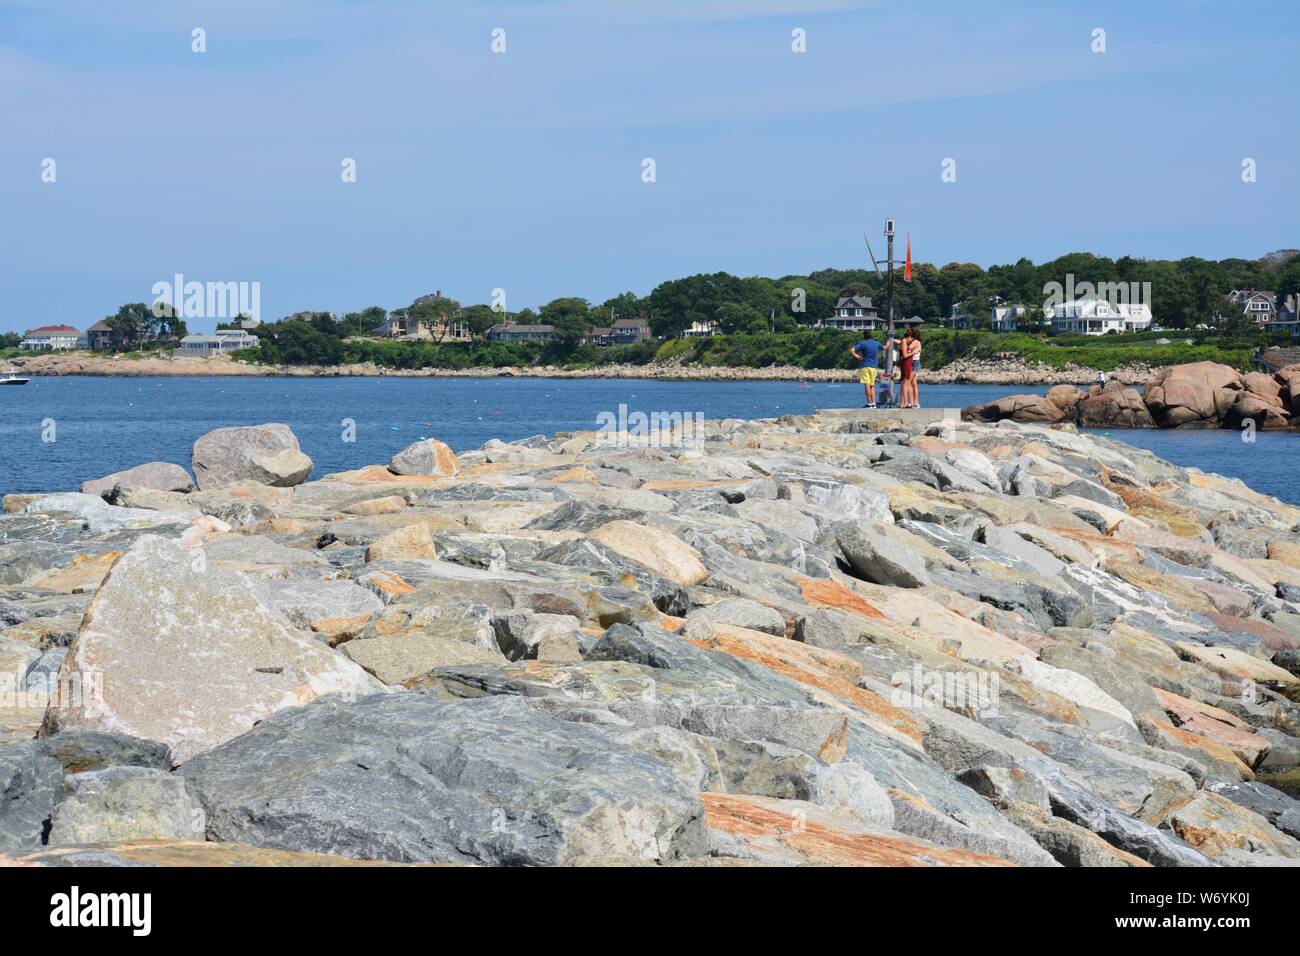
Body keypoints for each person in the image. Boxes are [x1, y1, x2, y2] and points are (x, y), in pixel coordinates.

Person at [849, 332, 882, 408]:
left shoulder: (862, 344)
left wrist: (857, 356)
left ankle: (869, 403)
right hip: (874, 367)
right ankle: (874, 403)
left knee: (867, 385)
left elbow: (852, 350)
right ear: (871, 336)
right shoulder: (876, 343)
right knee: (872, 385)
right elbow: (885, 347)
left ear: (864, 337)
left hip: (865, 366)